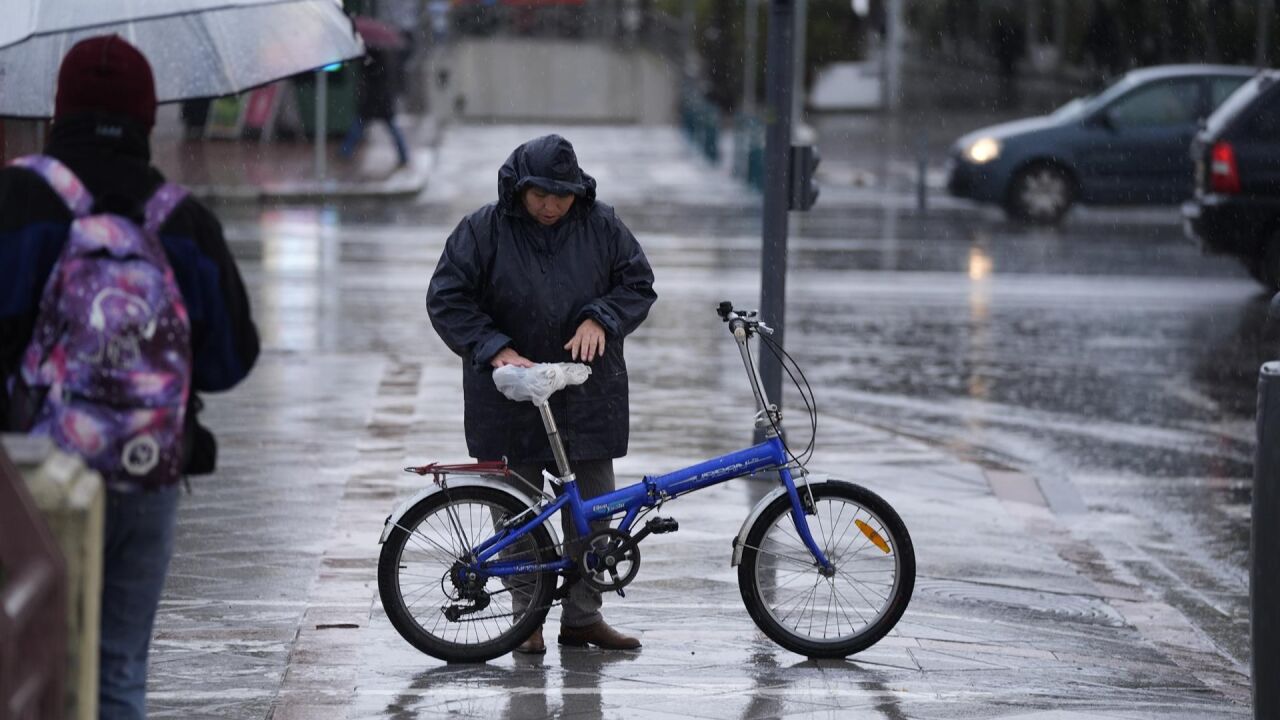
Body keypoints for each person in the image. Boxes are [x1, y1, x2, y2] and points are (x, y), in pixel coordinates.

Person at [0, 35, 259, 719]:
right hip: (147, 471)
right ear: (147, 116)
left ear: (60, 109)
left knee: (24, 663)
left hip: (28, 477)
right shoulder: (182, 218)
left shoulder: (16, 197)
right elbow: (233, 358)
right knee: (117, 667)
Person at [426, 134, 656, 655]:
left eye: (562, 196)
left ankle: (582, 619)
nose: (551, 206)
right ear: (520, 188)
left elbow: (638, 284)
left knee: (594, 517)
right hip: (509, 400)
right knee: (518, 519)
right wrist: (494, 348)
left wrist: (604, 315)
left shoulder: (603, 226)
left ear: (578, 191)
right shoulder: (482, 230)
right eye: (540, 196)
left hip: (587, 397)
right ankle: (524, 623)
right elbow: (447, 297)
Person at [339, 48, 410, 168]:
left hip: (373, 101)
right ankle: (403, 154)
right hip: (381, 101)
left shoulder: (370, 60)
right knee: (390, 128)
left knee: (359, 126)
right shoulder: (383, 58)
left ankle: (345, 151)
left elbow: (369, 78)